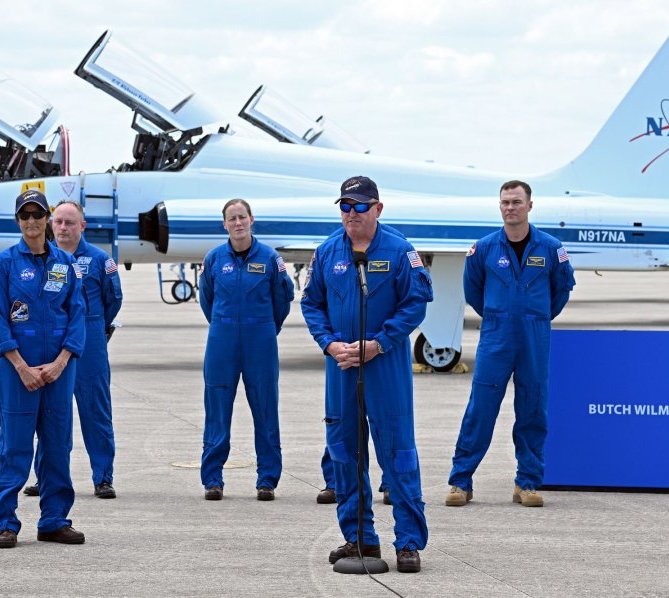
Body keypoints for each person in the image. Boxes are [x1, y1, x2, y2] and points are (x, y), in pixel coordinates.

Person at [301, 176, 433, 573]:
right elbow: (312, 304)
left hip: (384, 362)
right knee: (344, 451)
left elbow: (415, 304)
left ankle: (408, 542)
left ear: (378, 208)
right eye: (345, 206)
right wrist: (328, 344)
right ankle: (359, 539)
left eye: (360, 206)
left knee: (397, 452)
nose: (352, 214)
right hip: (341, 365)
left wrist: (379, 343)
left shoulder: (399, 251)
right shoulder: (327, 252)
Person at [445, 180, 576, 508]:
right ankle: (461, 481)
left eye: (517, 202)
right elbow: (473, 290)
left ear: (530, 206)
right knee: (480, 410)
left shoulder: (550, 248)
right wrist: (497, 316)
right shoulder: (484, 248)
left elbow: (561, 291)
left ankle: (527, 482)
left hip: (535, 339)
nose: (510, 207)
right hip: (496, 339)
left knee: (533, 409)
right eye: (505, 202)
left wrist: (537, 318)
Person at [0, 190, 86, 548]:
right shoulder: (5, 264)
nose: (32, 222)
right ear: (18, 221)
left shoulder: (65, 264)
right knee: (15, 446)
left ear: (46, 220)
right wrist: (21, 366)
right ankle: (7, 522)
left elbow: (77, 317)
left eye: (38, 215)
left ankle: (54, 520)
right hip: (17, 371)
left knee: (58, 445)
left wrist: (61, 363)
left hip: (58, 371)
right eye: (25, 216)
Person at [22, 200, 123, 499]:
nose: (63, 228)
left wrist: (93, 330)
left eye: (70, 222)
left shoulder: (99, 260)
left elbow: (113, 300)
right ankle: (47, 478)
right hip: (52, 337)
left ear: (83, 226)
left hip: (90, 336)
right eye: (59, 222)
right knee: (52, 413)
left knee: (96, 409)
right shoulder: (43, 258)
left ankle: (103, 477)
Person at [199, 199, 294, 501]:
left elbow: (283, 299)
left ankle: (267, 479)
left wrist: (266, 328)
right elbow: (207, 299)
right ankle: (212, 479)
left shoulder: (269, 258)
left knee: (265, 410)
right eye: (232, 219)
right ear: (224, 224)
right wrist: (222, 325)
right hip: (222, 340)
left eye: (242, 217)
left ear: (252, 220)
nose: (238, 223)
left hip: (260, 340)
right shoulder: (214, 259)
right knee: (217, 411)